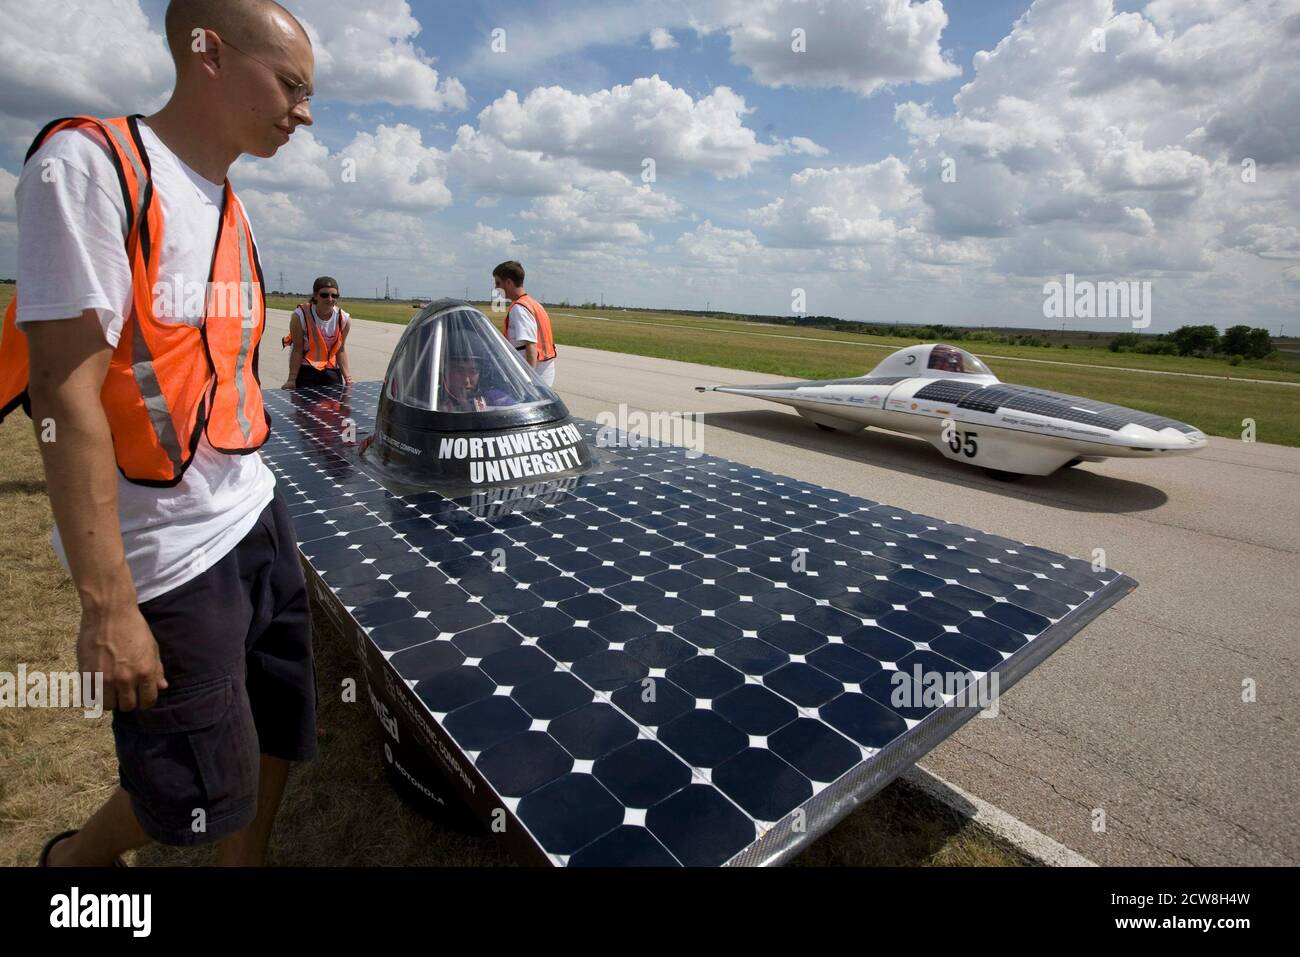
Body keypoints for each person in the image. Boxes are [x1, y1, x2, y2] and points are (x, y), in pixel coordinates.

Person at [0, 0, 318, 867]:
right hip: (166, 556)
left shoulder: (230, 204)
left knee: (278, 723)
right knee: (185, 785)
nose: (304, 110)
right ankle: (71, 866)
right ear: (207, 51)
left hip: (251, 513)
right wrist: (110, 605)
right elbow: (64, 398)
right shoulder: (93, 168)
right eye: (290, 85)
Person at [492, 260, 557, 386]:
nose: (496, 288)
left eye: (498, 283)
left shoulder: (519, 309)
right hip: (544, 370)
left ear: (509, 283)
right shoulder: (533, 303)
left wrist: (528, 380)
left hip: (535, 376)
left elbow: (531, 345)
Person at [281, 276, 352, 388]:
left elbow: (341, 350)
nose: (330, 299)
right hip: (307, 367)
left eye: (334, 295)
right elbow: (297, 349)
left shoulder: (343, 319)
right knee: (306, 403)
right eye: (324, 295)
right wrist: (291, 379)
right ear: (315, 296)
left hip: (331, 368)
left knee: (335, 403)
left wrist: (348, 379)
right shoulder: (300, 316)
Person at [438, 354, 517, 412]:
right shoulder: (434, 401)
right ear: (446, 373)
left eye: (473, 371)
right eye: (459, 371)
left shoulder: (494, 397)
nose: (466, 380)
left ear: (481, 374)